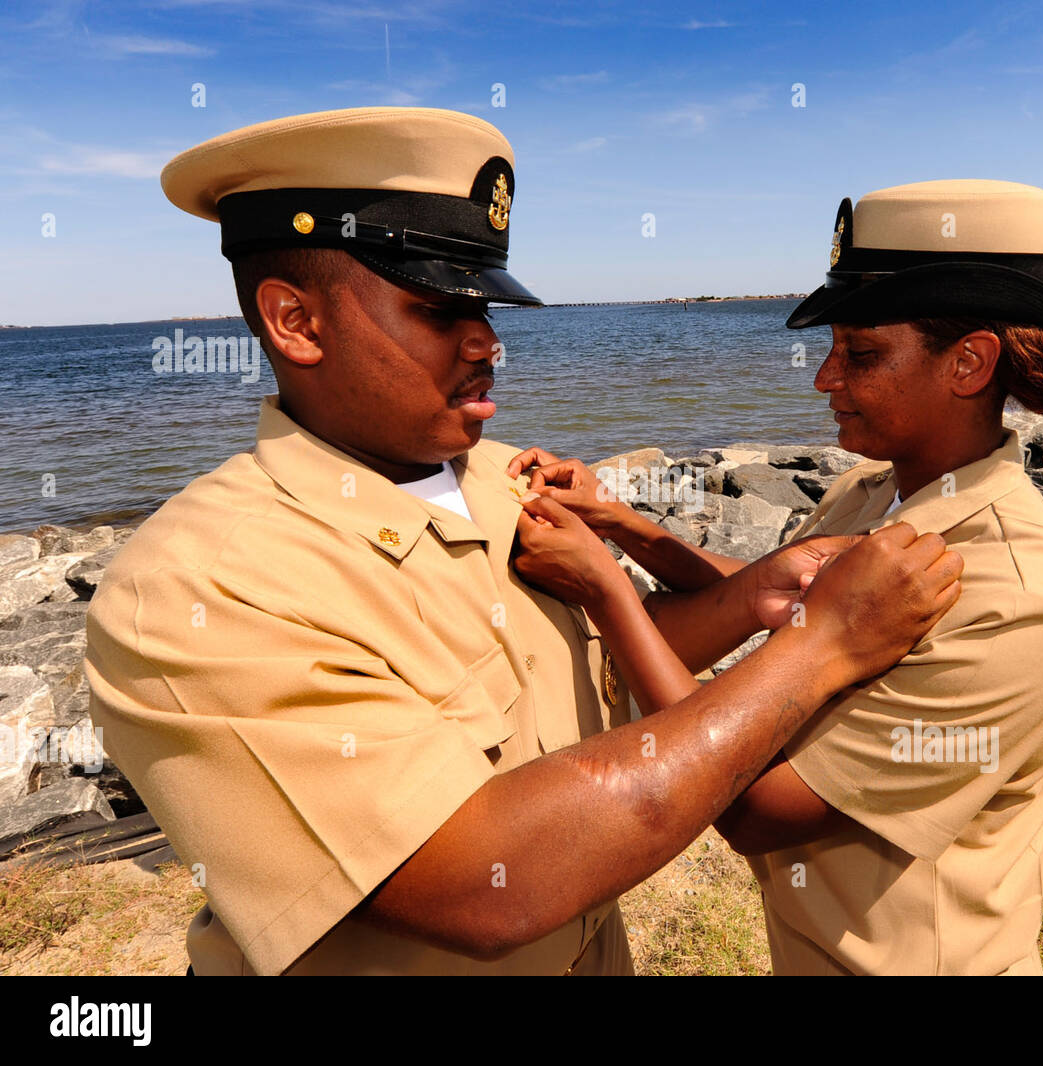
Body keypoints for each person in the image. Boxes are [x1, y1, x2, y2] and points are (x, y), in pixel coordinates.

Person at [83, 108, 964, 976]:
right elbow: (484, 884)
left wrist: (748, 596)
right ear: (296, 323)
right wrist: (818, 651)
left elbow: (594, 677)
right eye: (438, 309)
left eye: (486, 306)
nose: (488, 341)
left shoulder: (499, 477)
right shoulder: (201, 588)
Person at [519, 179, 1043, 975]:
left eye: (861, 354)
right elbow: (776, 593)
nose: (826, 379)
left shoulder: (1018, 604)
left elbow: (755, 809)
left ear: (969, 363)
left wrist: (607, 592)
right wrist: (622, 526)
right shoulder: (874, 487)